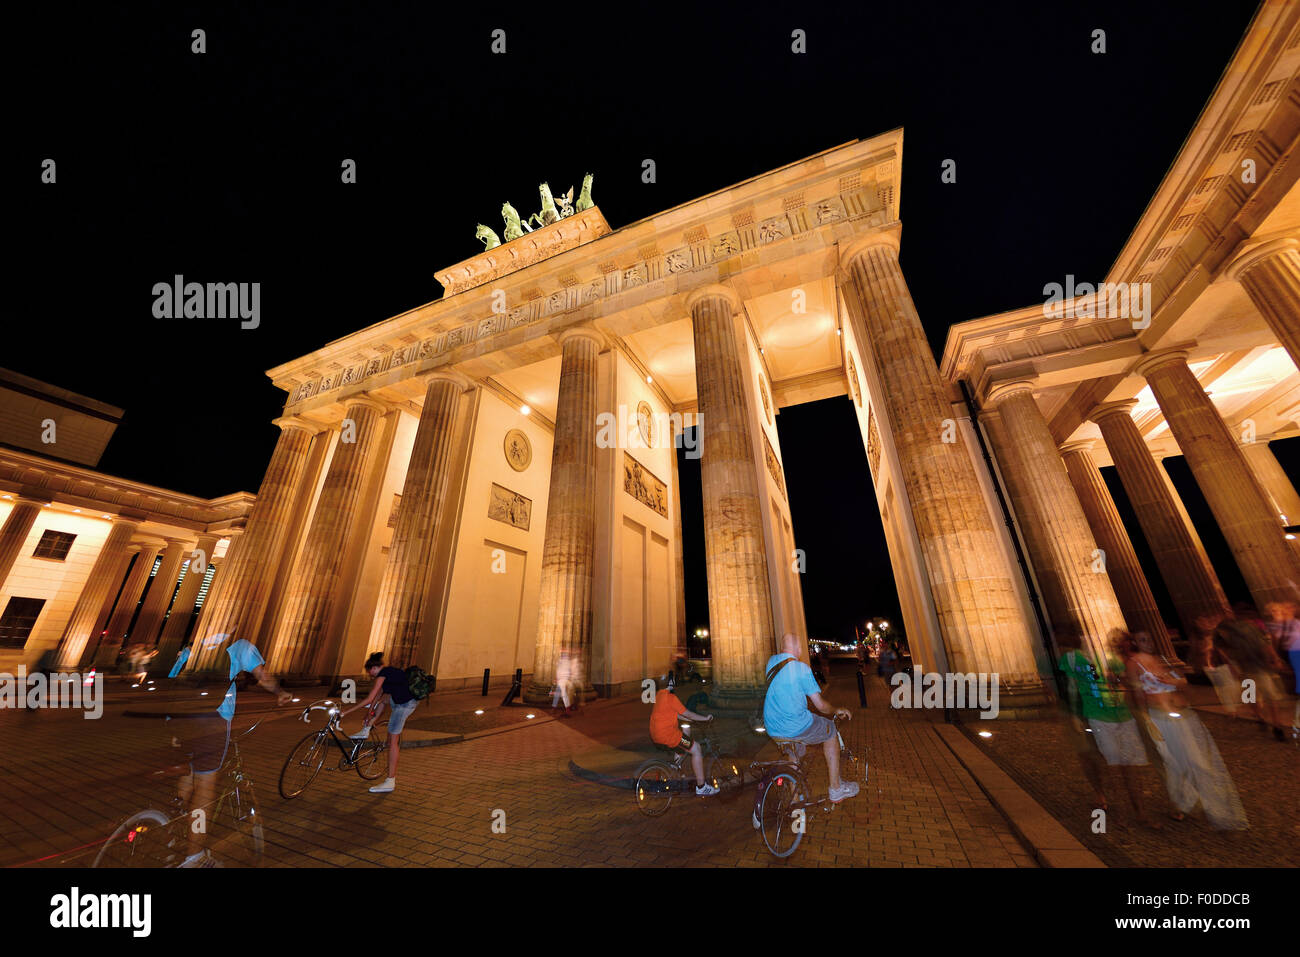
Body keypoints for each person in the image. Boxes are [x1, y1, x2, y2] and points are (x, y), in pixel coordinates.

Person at [175, 632, 291, 867]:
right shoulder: (239, 646)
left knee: (188, 773)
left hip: (178, 719)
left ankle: (174, 822)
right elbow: (263, 676)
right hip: (211, 721)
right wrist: (281, 693)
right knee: (205, 789)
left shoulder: (194, 648)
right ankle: (194, 856)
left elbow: (172, 677)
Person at [1121, 630, 1247, 830]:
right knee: (1172, 762)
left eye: (1150, 638)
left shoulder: (1160, 659)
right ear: (1135, 643)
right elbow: (1138, 694)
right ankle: (1181, 803)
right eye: (1142, 639)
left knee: (1198, 761)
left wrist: (1173, 682)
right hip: (1159, 718)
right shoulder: (1133, 663)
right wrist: (1145, 720)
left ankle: (1214, 806)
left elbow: (1183, 680)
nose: (1148, 642)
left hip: (1182, 716)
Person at [1056, 628, 1153, 826]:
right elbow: (1073, 686)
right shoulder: (1073, 659)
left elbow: (1121, 682)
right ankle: (1122, 814)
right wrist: (1075, 715)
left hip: (1120, 714)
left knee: (1130, 767)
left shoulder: (1112, 659)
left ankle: (1140, 813)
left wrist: (1117, 680)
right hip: (1096, 715)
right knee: (1114, 766)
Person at [762, 632, 858, 803]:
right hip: (795, 725)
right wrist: (836, 710)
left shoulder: (771, 663)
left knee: (793, 751)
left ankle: (794, 799)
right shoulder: (802, 669)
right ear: (798, 648)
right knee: (830, 731)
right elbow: (821, 705)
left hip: (773, 726)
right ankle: (836, 788)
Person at [342, 652, 418, 794]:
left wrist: (346, 712)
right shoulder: (389, 673)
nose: (370, 675)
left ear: (374, 668)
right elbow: (378, 697)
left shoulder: (382, 674)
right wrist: (369, 713)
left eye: (369, 672)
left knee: (392, 742)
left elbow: (370, 698)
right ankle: (367, 728)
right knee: (383, 700)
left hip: (405, 705)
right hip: (398, 699)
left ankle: (390, 781)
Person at [1215, 611, 1289, 740]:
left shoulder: (1227, 632)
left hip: (1251, 666)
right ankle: (1272, 723)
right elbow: (1265, 644)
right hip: (1252, 666)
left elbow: (1263, 644)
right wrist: (1274, 658)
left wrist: (1274, 658)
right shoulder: (1247, 628)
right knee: (1265, 695)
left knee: (1259, 695)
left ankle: (1271, 723)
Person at [648, 675, 718, 796]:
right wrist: (704, 718)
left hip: (656, 734)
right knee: (696, 748)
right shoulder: (671, 697)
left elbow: (675, 714)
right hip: (667, 735)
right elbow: (688, 714)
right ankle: (701, 787)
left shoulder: (659, 695)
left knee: (683, 741)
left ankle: (676, 770)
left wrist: (691, 720)